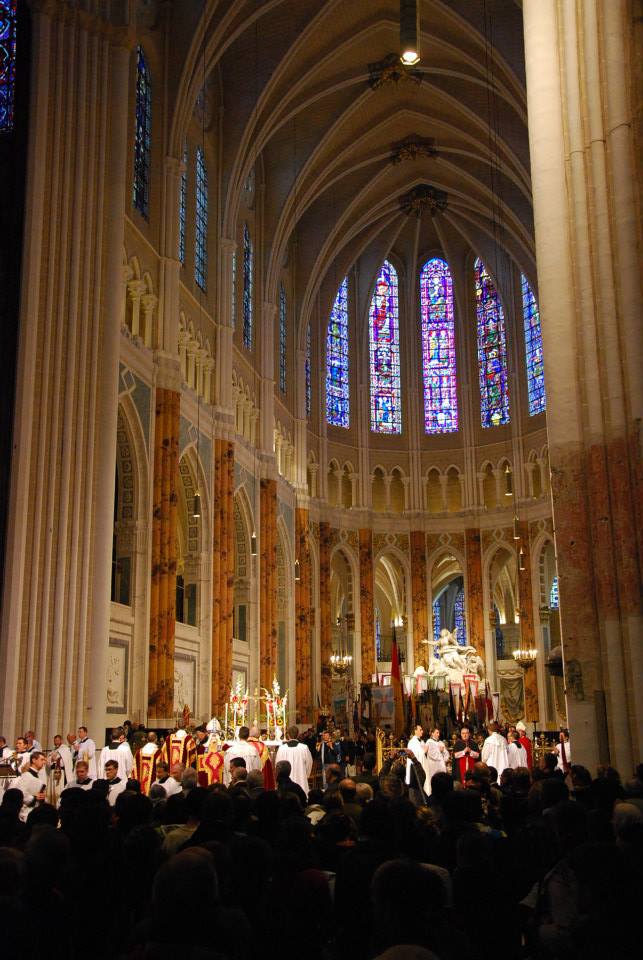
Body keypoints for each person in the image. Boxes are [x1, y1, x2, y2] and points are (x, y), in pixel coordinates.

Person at [275, 725, 313, 798]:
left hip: (285, 783)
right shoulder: (304, 748)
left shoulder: (282, 748)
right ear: (298, 734)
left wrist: (280, 778)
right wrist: (305, 775)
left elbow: (278, 765)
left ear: (288, 735)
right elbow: (309, 763)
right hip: (301, 779)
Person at [14, 751, 47, 819]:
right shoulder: (26, 776)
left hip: (35, 811)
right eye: (42, 759)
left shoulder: (38, 777)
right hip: (25, 813)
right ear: (34, 760)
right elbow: (21, 793)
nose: (44, 762)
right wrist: (34, 797)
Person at [134, 731, 161, 795]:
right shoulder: (158, 752)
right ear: (156, 739)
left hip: (140, 786)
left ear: (147, 739)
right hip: (153, 786)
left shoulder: (139, 752)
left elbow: (134, 769)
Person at [425, 728, 449, 793]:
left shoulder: (440, 742)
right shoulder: (429, 742)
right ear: (432, 733)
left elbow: (446, 754)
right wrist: (440, 751)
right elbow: (432, 754)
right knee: (434, 781)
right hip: (433, 766)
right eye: (437, 733)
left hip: (441, 766)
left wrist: (443, 758)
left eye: (439, 733)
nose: (438, 734)